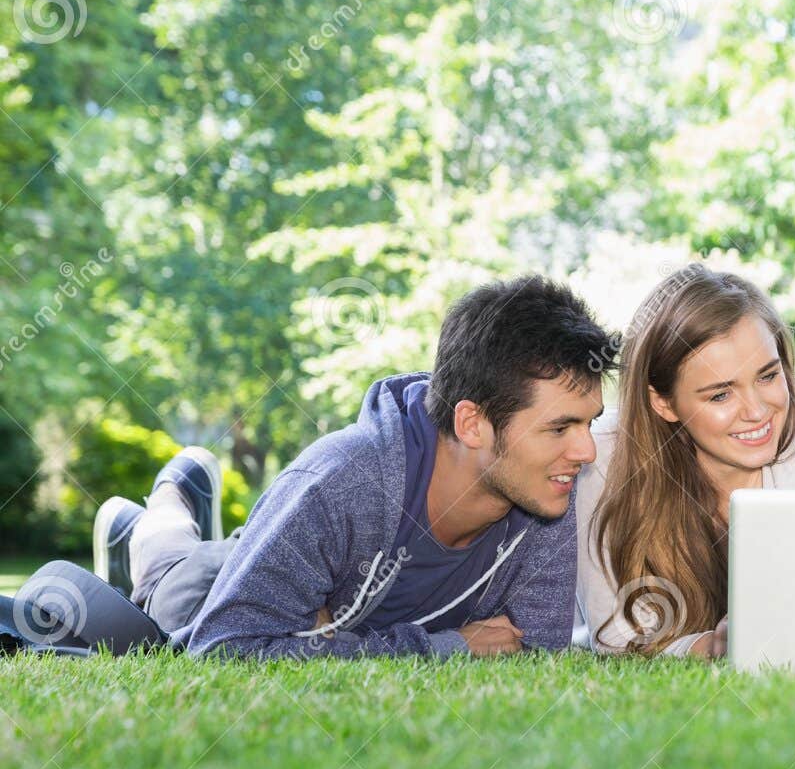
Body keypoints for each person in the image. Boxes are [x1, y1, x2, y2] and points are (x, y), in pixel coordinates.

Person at [93, 273, 614, 658]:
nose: (585, 452)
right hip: (213, 585)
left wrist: (330, 639)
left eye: (588, 424)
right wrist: (443, 647)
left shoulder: (543, 494)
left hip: (286, 576)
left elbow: (533, 656)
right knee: (168, 573)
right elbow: (223, 648)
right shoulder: (341, 481)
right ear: (472, 423)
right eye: (559, 428)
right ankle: (159, 508)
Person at [577, 265, 795, 657]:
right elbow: (614, 638)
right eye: (721, 395)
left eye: (768, 376)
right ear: (662, 402)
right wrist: (709, 647)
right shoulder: (600, 459)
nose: (757, 411)